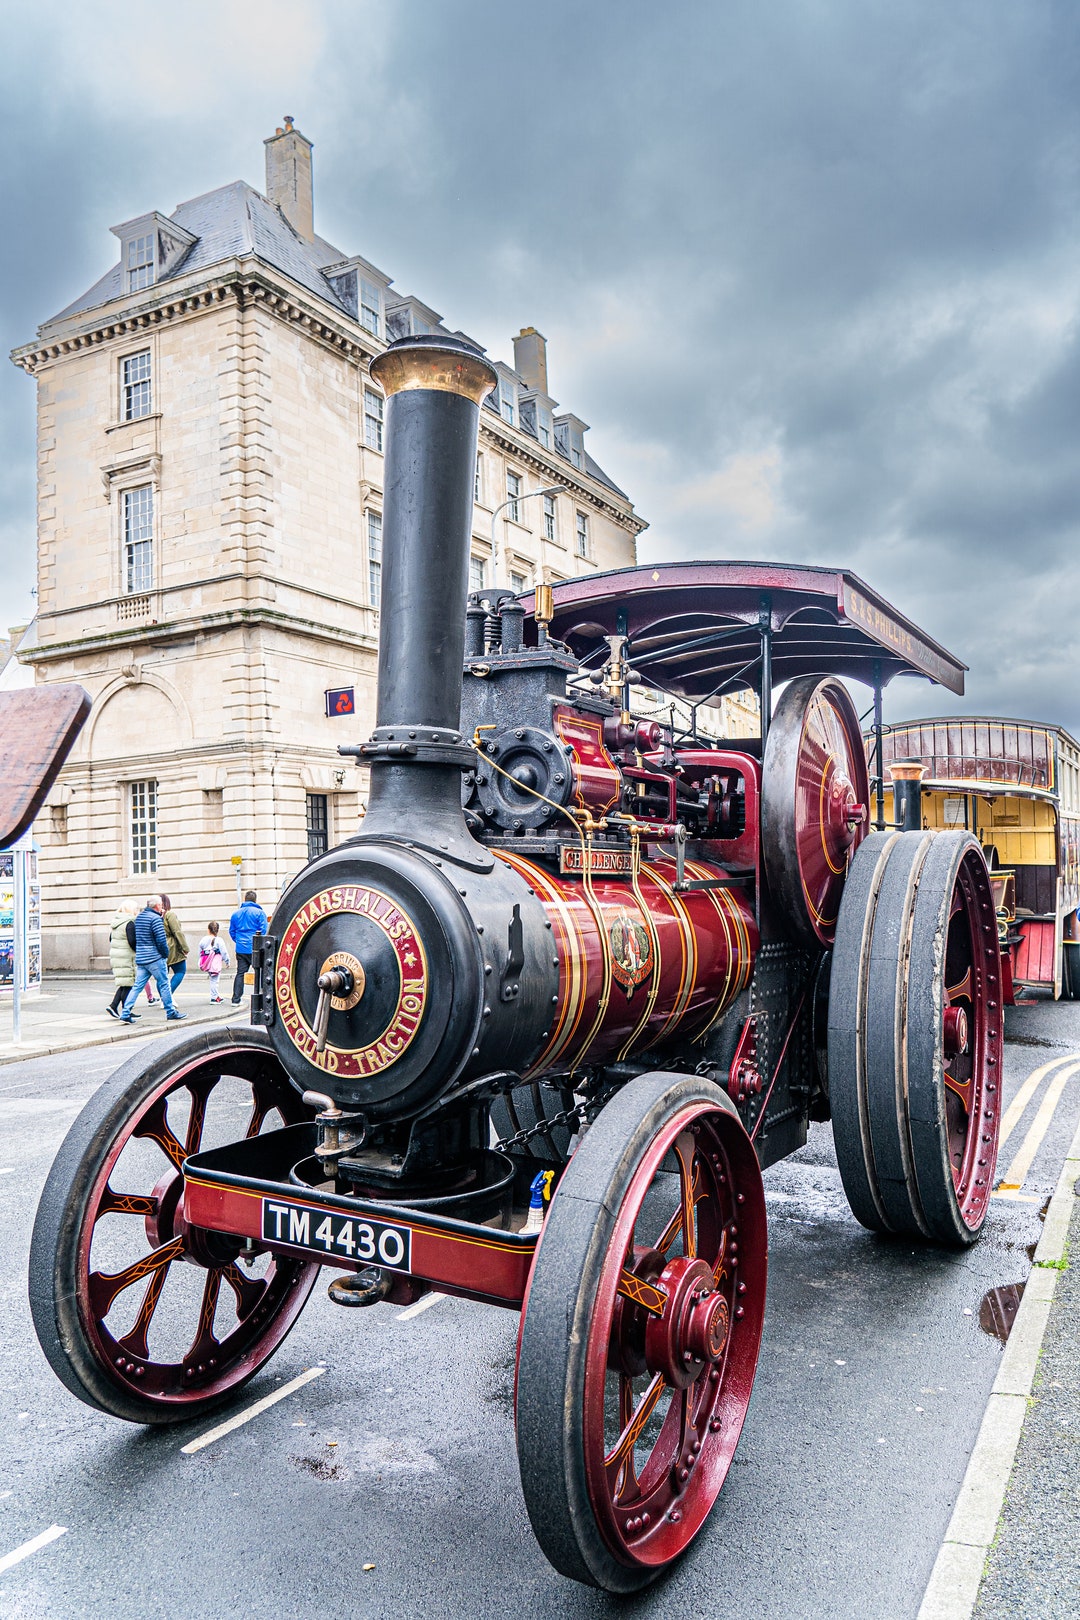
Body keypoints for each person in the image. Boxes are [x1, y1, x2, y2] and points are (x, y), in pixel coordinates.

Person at [119, 897, 186, 1023]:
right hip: (155, 958)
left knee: (137, 986)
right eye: (161, 905)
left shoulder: (139, 918)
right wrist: (165, 954)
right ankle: (171, 1012)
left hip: (142, 958)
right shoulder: (155, 919)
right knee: (164, 984)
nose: (162, 907)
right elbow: (161, 940)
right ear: (156, 906)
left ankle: (125, 1012)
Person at [229, 889, 267, 1005]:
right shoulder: (259, 913)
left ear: (245, 899)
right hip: (255, 948)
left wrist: (239, 941)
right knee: (261, 972)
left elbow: (232, 931)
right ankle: (262, 998)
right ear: (255, 900)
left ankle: (235, 1000)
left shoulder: (236, 914)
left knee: (240, 973)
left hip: (240, 949)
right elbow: (263, 930)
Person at [106, 900, 142, 1020]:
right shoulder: (129, 923)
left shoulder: (116, 922)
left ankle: (114, 1006)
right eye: (136, 909)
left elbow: (111, 939)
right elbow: (132, 941)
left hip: (117, 955)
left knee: (125, 983)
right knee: (129, 984)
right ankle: (125, 1010)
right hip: (126, 957)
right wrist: (139, 951)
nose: (137, 912)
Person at [159, 893, 190, 996]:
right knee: (180, 971)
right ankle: (167, 997)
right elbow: (177, 932)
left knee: (162, 976)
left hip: (158, 947)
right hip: (171, 947)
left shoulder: (154, 916)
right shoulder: (169, 914)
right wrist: (185, 948)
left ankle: (164, 998)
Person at [198, 921, 229, 1003]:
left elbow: (200, 952)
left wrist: (201, 961)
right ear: (217, 930)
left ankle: (216, 996)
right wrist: (227, 961)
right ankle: (214, 998)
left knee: (213, 980)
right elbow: (224, 952)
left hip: (206, 963)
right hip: (215, 963)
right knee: (215, 980)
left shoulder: (203, 939)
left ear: (208, 930)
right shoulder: (219, 940)